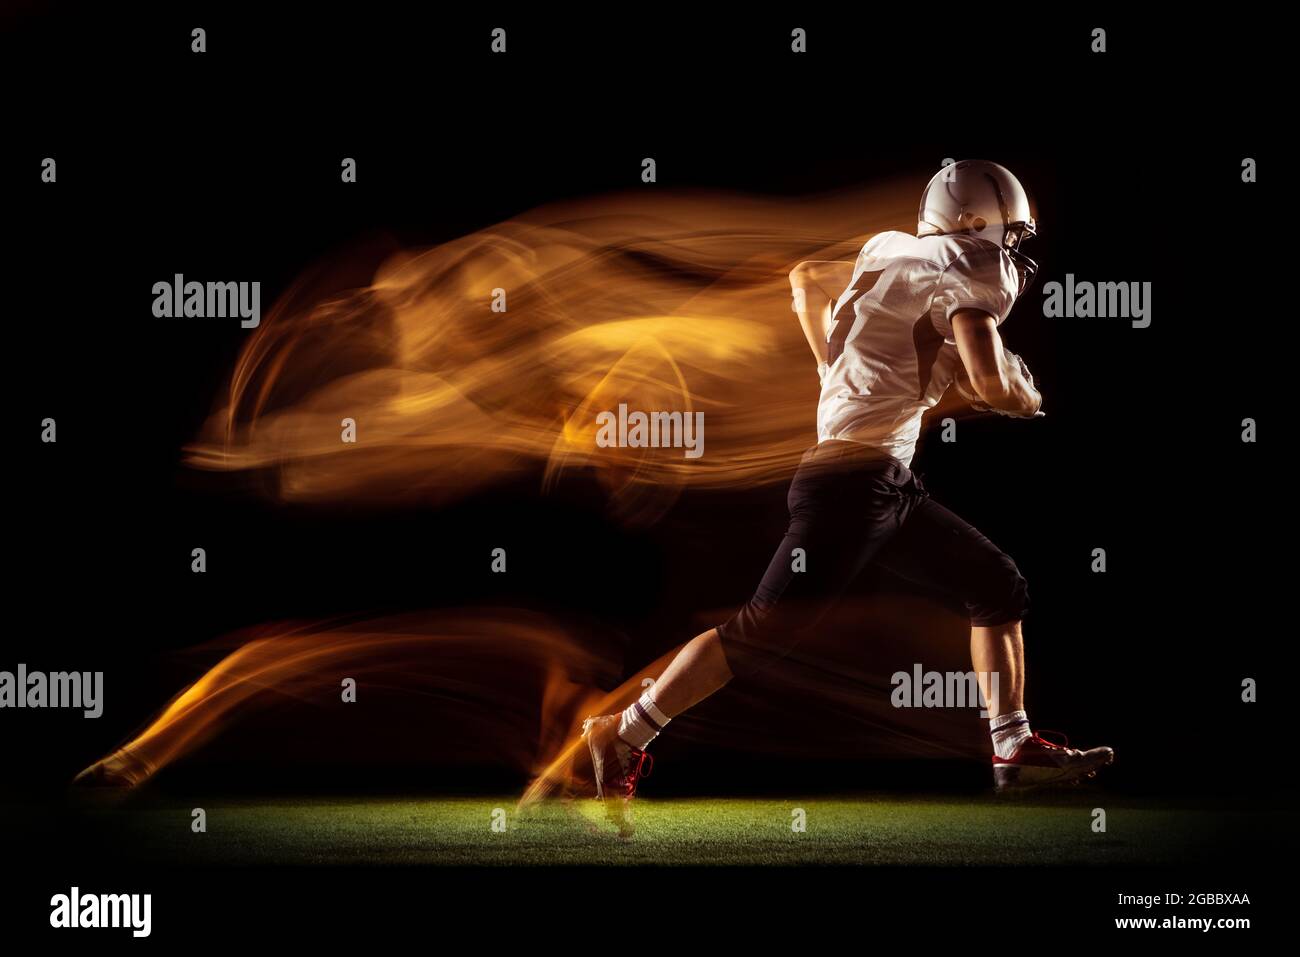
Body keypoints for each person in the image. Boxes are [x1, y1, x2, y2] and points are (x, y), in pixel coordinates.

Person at [582, 160, 1113, 832]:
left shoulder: (888, 248)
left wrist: (834, 369)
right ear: (978, 223)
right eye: (1008, 233)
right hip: (851, 488)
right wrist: (1023, 394)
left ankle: (1012, 746)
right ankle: (623, 732)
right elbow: (985, 379)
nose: (1012, 250)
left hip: (879, 481)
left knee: (997, 586)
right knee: (753, 636)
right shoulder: (966, 271)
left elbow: (807, 282)